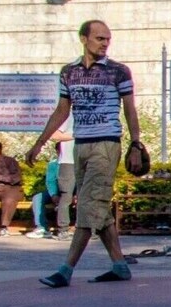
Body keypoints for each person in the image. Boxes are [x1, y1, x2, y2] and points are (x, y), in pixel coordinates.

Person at [25, 20, 140, 288]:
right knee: (97, 206)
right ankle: (120, 265)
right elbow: (62, 110)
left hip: (106, 144)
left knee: (88, 206)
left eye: (107, 39)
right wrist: (40, 142)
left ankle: (66, 269)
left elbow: (130, 109)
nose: (104, 43)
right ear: (83, 38)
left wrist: (136, 143)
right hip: (81, 145)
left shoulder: (118, 71)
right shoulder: (69, 72)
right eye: (99, 38)